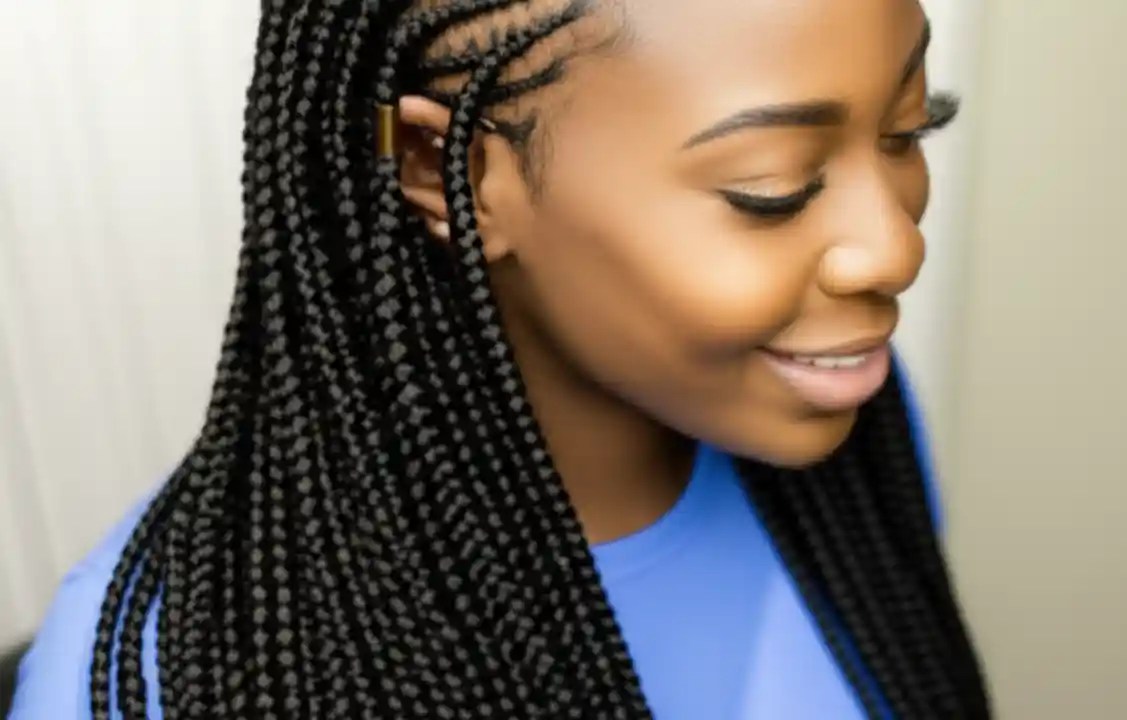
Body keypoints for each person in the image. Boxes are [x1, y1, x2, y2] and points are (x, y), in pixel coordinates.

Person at [9, 0, 989, 717]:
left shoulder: (849, 428)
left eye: (908, 128)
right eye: (770, 189)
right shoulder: (162, 673)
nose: (893, 247)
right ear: (450, 171)